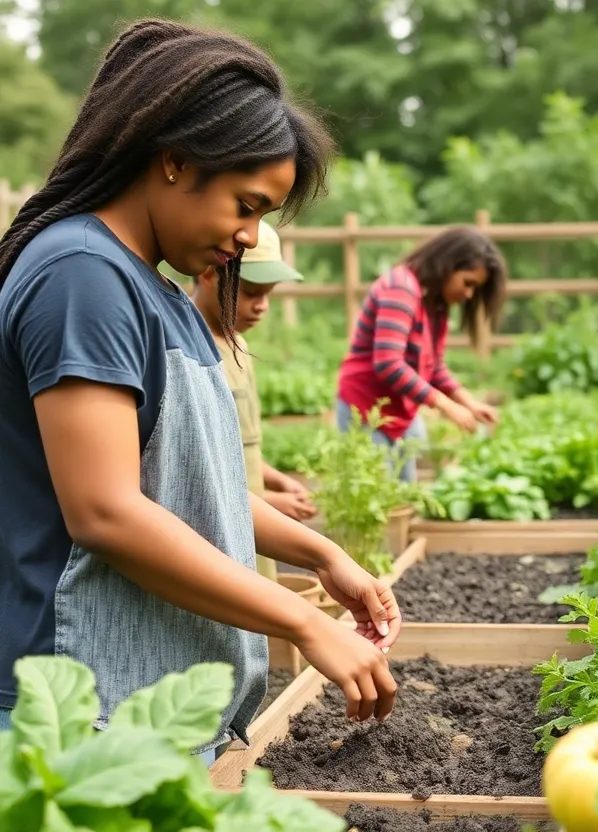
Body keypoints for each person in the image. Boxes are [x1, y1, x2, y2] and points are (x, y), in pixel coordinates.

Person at [0, 19, 400, 757]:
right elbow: (108, 513)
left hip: (138, 710)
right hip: (75, 717)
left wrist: (321, 555)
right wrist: (302, 620)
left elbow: (187, 480)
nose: (251, 237)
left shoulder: (152, 290)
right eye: (246, 206)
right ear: (176, 162)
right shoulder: (81, 278)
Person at [187, 219, 318, 580]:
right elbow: (199, 461)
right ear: (210, 274)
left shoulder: (238, 344)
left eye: (268, 294)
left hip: (254, 518)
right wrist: (270, 505)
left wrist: (274, 479)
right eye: (250, 292)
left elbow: (241, 446)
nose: (262, 306)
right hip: (222, 525)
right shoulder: (192, 355)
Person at [335, 227, 505, 481]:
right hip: (366, 409)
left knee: (404, 499)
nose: (468, 294)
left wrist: (468, 402)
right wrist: (446, 406)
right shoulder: (401, 288)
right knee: (378, 501)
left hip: (400, 414)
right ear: (448, 265)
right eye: (467, 283)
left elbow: (432, 367)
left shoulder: (435, 304)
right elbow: (388, 363)